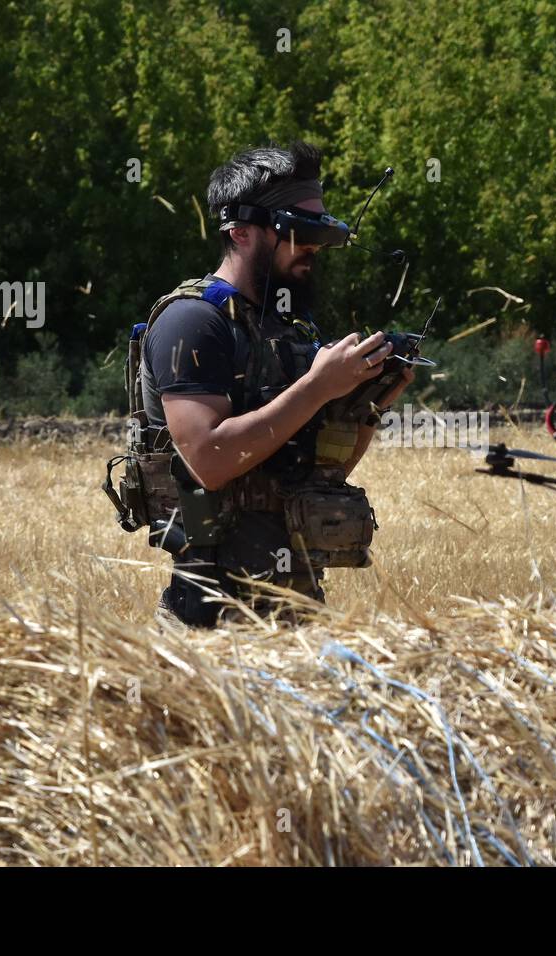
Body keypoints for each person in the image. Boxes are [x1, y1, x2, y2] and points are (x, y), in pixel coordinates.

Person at [139, 140, 413, 627]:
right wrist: (318, 388)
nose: (313, 247)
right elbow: (209, 462)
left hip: (297, 610)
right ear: (241, 231)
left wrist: (364, 407)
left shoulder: (289, 329)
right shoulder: (193, 323)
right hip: (213, 621)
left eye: (320, 232)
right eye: (299, 231)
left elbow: (318, 472)